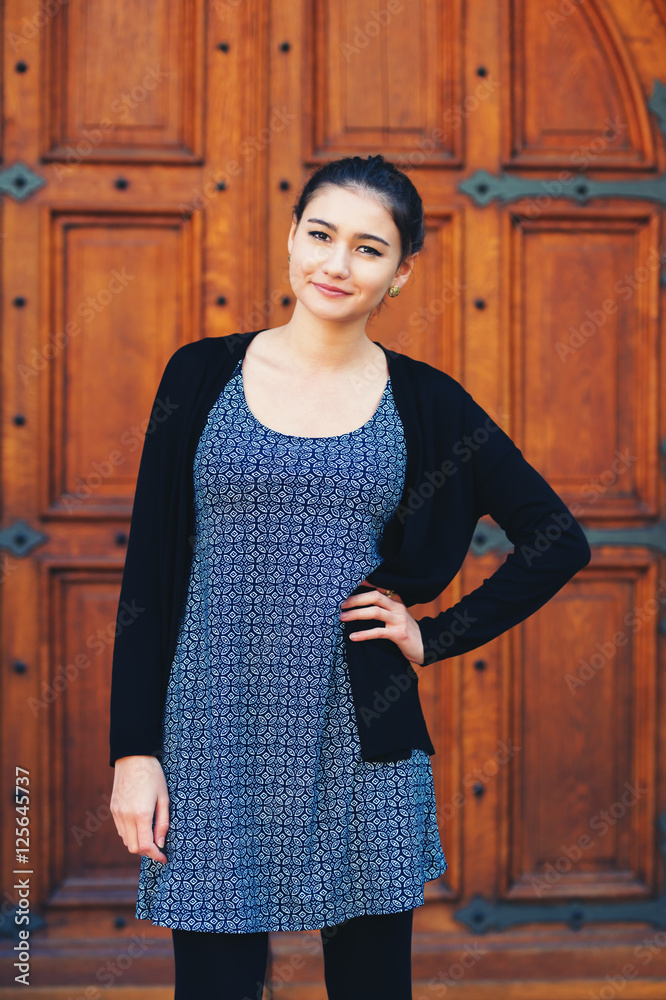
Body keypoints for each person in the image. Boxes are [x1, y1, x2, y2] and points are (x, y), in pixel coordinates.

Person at [109, 153, 590, 1000]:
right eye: (322, 235)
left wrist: (433, 636)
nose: (337, 263)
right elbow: (149, 569)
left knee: (372, 986)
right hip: (213, 731)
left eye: (369, 249)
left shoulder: (430, 402)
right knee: (215, 987)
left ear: (402, 274)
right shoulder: (199, 374)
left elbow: (556, 539)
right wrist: (134, 751)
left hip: (359, 732)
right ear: (292, 236)